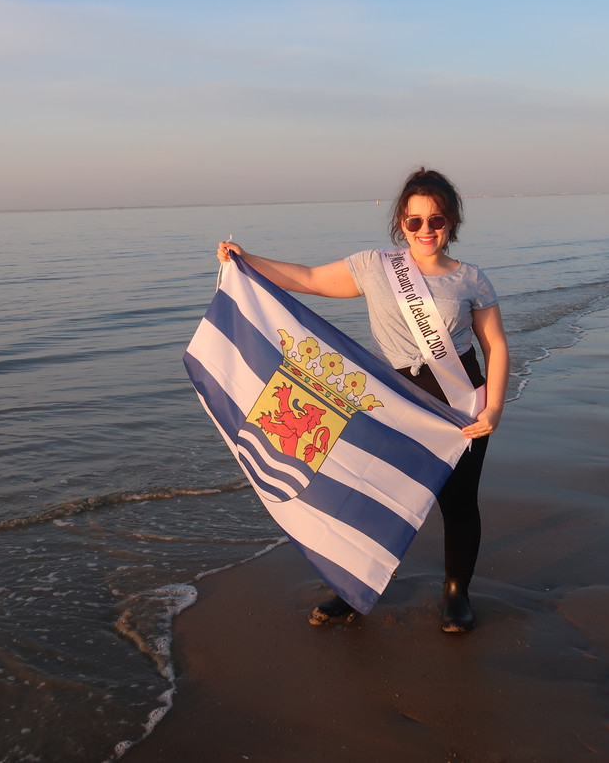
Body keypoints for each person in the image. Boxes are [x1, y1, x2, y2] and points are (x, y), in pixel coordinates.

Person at [216, 167, 509, 633]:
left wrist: (493, 406)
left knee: (458, 501)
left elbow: (494, 345)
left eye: (436, 220)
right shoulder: (376, 267)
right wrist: (246, 260)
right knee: (373, 494)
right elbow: (309, 278)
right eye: (415, 222)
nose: (426, 230)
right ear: (401, 223)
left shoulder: (471, 279)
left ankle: (456, 593)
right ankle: (351, 588)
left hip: (459, 401)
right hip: (392, 400)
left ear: (450, 222)